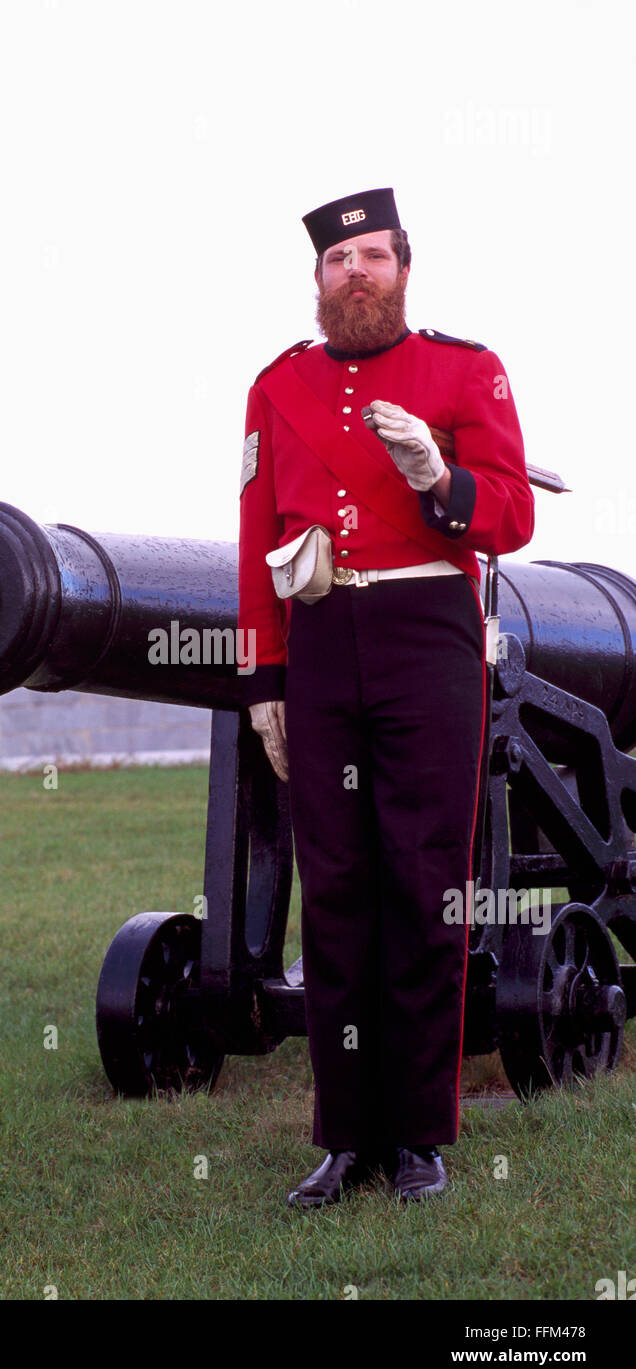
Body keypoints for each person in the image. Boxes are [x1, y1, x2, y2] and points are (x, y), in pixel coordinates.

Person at [237, 187, 534, 1205]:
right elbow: (252, 539)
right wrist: (263, 676)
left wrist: (440, 480)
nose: (352, 273)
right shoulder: (276, 386)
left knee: (421, 882)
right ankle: (343, 1136)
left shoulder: (465, 370)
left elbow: (512, 517)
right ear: (317, 281)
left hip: (426, 634)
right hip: (321, 636)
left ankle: (419, 1136)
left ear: (404, 265)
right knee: (337, 889)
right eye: (335, 261)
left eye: (369, 255)